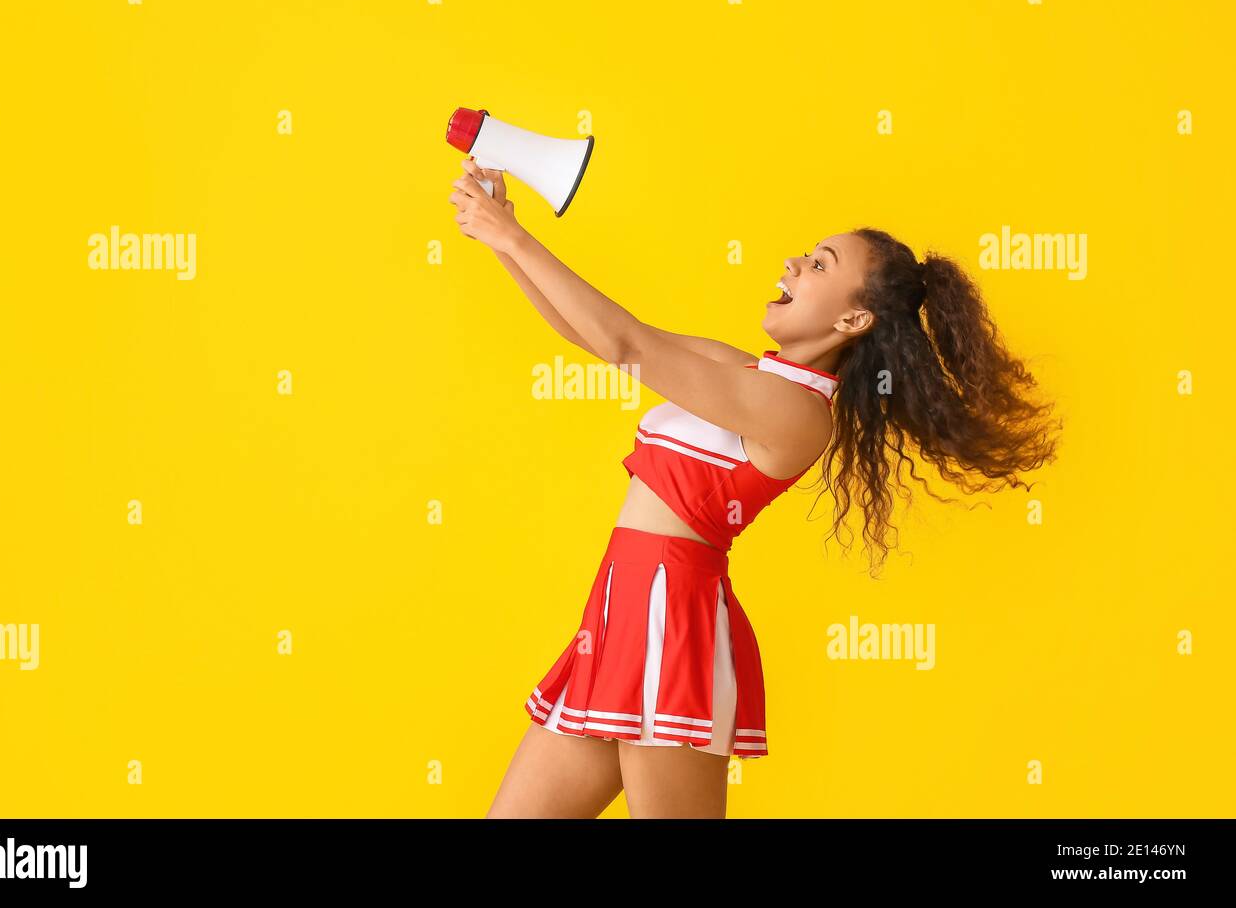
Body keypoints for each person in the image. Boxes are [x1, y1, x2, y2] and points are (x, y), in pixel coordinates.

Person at [448, 157, 1061, 818]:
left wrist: (512, 239)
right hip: (619, 614)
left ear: (855, 322)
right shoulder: (735, 368)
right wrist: (502, 235)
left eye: (822, 265)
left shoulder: (797, 415)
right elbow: (600, 339)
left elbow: (624, 340)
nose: (796, 264)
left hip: (671, 623)